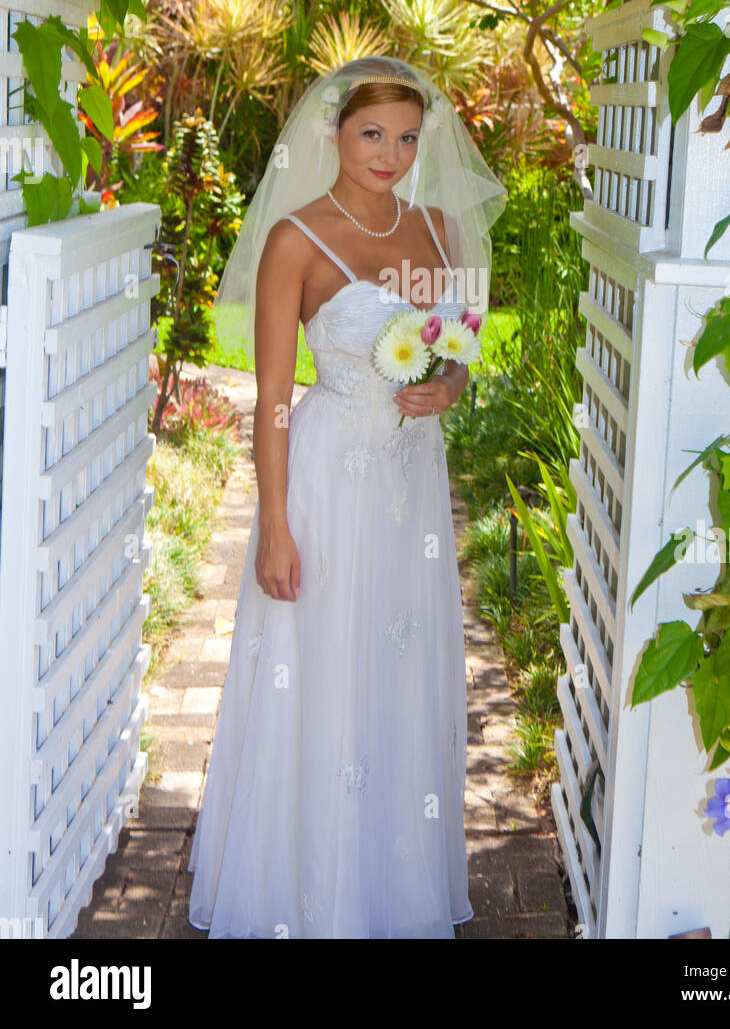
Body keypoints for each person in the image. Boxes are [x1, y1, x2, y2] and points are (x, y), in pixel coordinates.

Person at [187, 55, 507, 938]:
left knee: (400, 667)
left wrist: (447, 389)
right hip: (328, 479)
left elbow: (459, 354)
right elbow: (275, 400)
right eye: (372, 133)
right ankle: (308, 889)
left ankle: (386, 881)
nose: (390, 153)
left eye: (407, 137)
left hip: (412, 484)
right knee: (319, 668)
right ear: (332, 131)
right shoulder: (296, 238)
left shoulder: (442, 229)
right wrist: (275, 529)